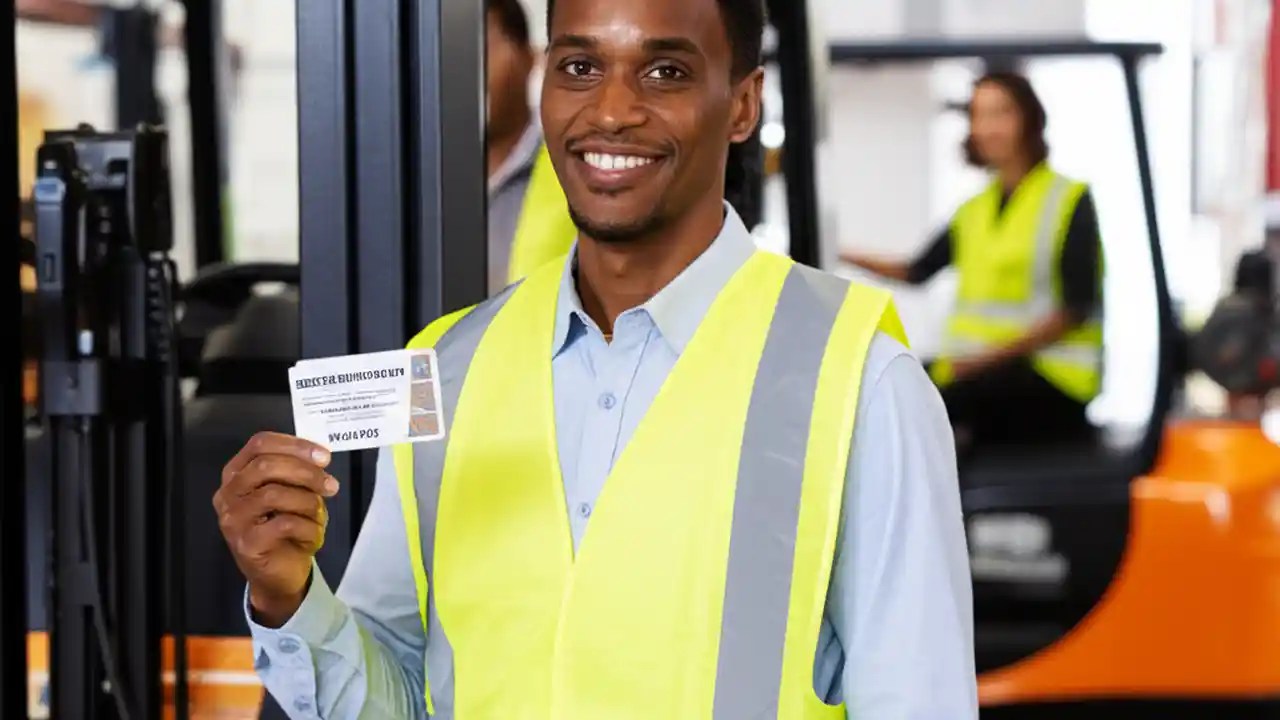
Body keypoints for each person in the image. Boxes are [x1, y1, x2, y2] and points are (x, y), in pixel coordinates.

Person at [214, 0, 977, 717]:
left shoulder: (862, 383)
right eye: (580, 67)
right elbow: (406, 697)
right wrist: (290, 599)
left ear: (744, 105)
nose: (611, 110)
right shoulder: (447, 369)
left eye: (665, 71)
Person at [843, 71, 1104, 452]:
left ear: (1029, 120)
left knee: (925, 409)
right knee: (888, 382)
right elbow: (915, 271)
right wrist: (838, 251)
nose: (987, 128)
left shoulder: (1068, 199)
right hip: (988, 370)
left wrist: (982, 361)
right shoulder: (974, 210)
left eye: (1000, 113)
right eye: (979, 115)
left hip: (1054, 378)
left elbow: (1075, 309)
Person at [485, 0, 578, 293]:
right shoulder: (414, 179)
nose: (461, 75)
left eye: (481, 52)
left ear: (531, 58)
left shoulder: (577, 167)